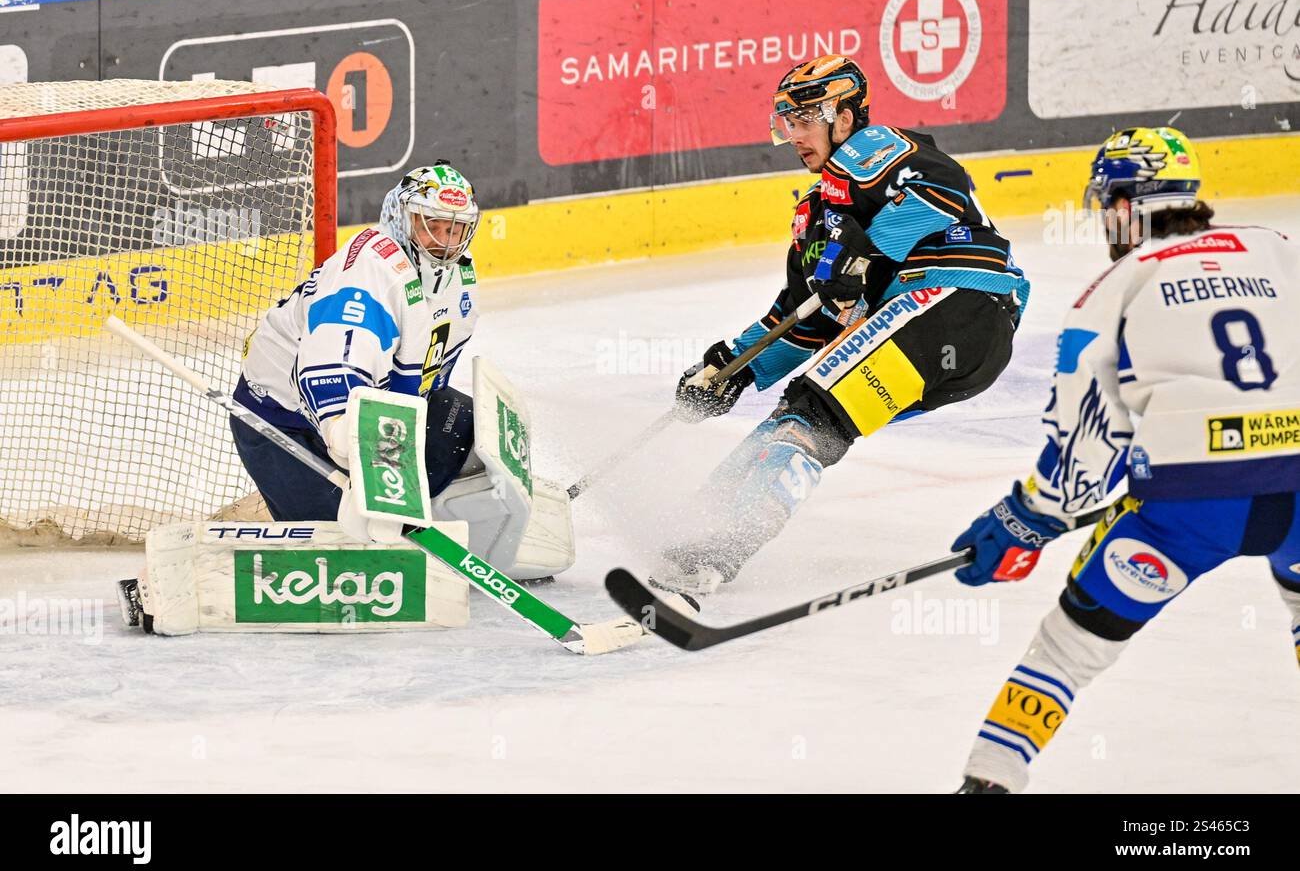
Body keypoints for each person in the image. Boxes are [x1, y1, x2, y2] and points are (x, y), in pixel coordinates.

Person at [951, 127, 1300, 793]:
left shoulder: (1111, 289)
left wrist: (1024, 517)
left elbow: (1084, 453)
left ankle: (989, 781)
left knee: (1067, 648)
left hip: (1193, 509)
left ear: (1121, 203)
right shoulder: (1281, 248)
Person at [653, 54, 1029, 596]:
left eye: (807, 119)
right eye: (789, 122)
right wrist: (729, 368)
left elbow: (945, 193)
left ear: (845, 117)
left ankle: (717, 549)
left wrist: (866, 254)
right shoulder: (816, 216)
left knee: (809, 413)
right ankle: (693, 536)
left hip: (953, 304)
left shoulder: (871, 152)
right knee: (800, 421)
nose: (796, 135)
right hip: (956, 350)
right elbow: (803, 320)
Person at [230, 162, 570, 581]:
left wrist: (393, 468)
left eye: (456, 229)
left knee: (465, 425)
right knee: (345, 565)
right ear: (401, 217)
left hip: (381, 419)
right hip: (285, 427)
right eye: (432, 226)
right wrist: (349, 442)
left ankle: (480, 533)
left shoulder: (456, 274)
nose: (445, 242)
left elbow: (431, 376)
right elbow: (330, 366)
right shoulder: (369, 272)